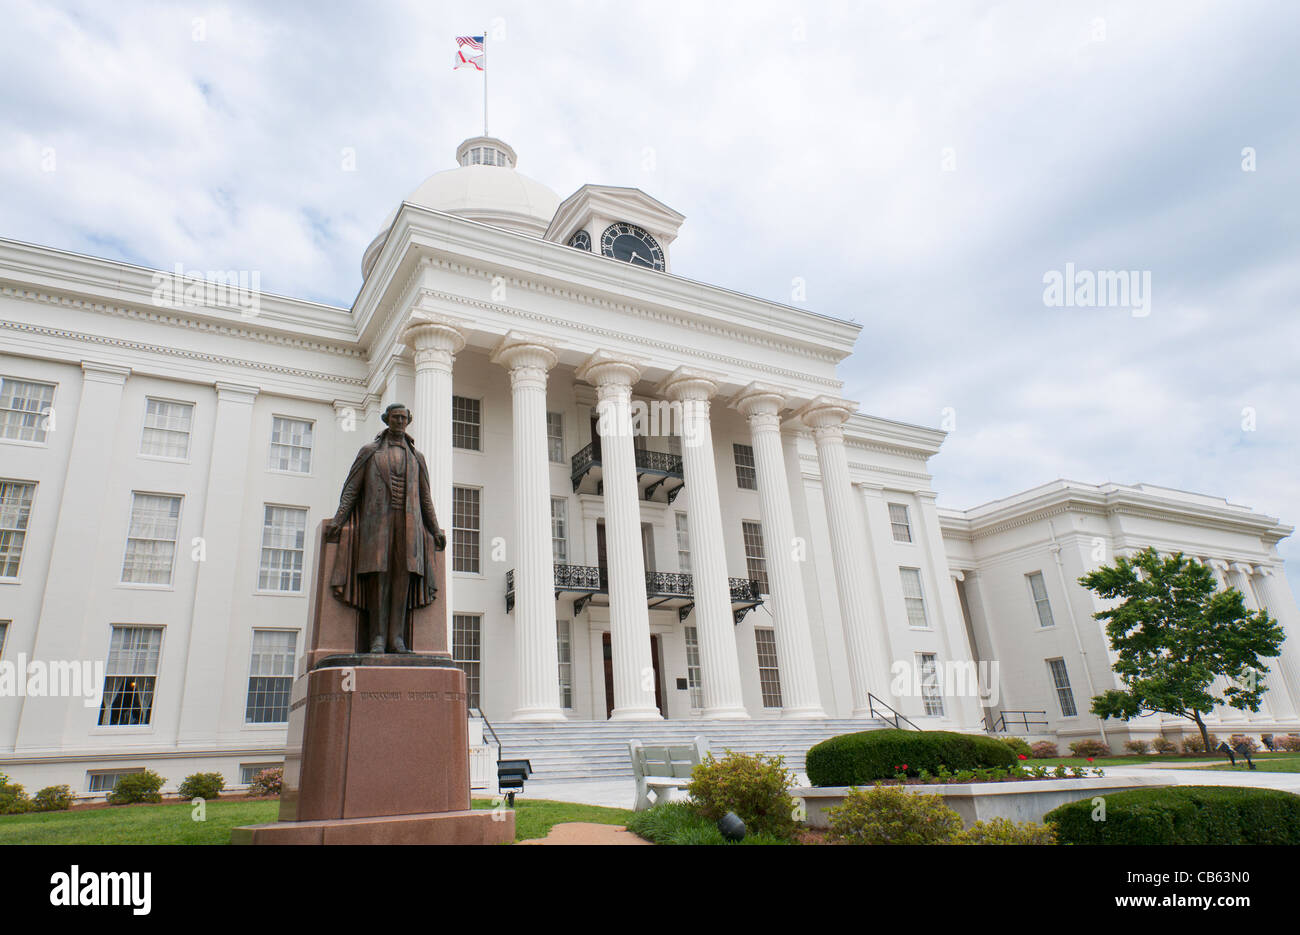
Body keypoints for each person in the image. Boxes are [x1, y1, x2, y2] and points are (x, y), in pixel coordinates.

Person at [325, 403, 447, 653]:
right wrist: (339, 519)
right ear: (387, 419)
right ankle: (377, 638)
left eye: (404, 417)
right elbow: (352, 489)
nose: (400, 421)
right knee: (379, 579)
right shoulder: (370, 452)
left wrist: (435, 529)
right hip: (377, 523)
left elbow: (425, 498)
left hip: (408, 526)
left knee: (402, 581)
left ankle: (396, 639)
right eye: (395, 417)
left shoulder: (417, 458)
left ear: (408, 421)